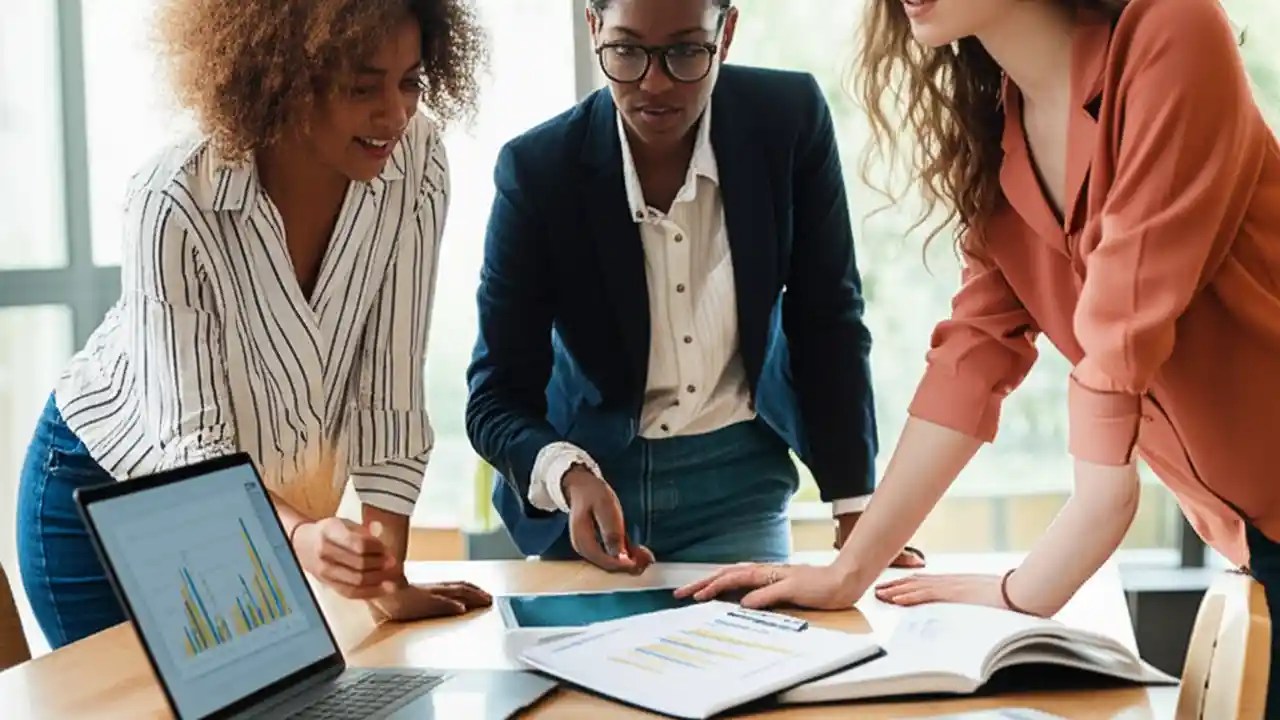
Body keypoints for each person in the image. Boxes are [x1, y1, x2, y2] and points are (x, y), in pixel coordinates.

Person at [678, 0, 1280, 709]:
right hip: (1255, 542)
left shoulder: (1174, 31)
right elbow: (971, 360)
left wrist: (1029, 588)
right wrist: (849, 572)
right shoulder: (1002, 136)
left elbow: (1125, 317)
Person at [15, 0, 492, 650]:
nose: (395, 113)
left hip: (252, 511)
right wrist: (297, 536)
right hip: (102, 502)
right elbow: (194, 455)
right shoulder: (175, 200)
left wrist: (388, 579)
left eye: (410, 80)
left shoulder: (416, 160)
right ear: (287, 76)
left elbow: (390, 388)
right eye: (362, 86)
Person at [465, 0, 925, 573]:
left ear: (725, 34)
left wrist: (855, 505)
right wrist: (567, 475)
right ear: (593, 30)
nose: (654, 83)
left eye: (685, 51)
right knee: (584, 664)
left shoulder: (788, 122)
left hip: (737, 492)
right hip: (588, 493)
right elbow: (495, 395)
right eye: (627, 50)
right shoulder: (538, 171)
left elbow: (828, 320)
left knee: (756, 659)